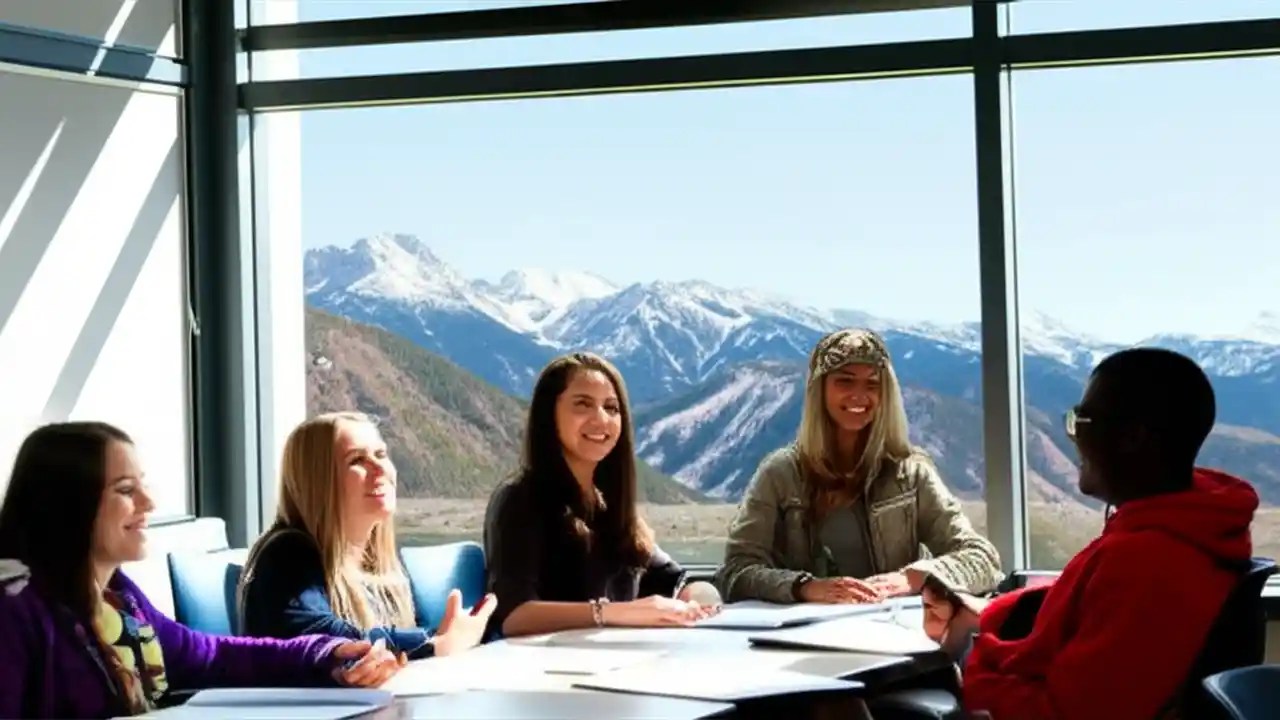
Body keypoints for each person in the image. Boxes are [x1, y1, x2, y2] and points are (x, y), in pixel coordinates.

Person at [922, 348, 1258, 720]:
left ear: (1131, 438)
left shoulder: (1146, 564)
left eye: (1082, 420)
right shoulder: (1187, 526)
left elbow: (1065, 714)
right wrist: (987, 614)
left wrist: (973, 661)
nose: (1073, 437)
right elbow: (1083, 606)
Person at [0, 422, 404, 719]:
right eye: (125, 490)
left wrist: (324, 653)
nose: (149, 502)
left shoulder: (116, 598)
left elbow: (210, 656)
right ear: (69, 504)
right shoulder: (14, 611)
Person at [718, 328, 1002, 604]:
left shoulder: (911, 475)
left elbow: (983, 560)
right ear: (820, 390)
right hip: (801, 641)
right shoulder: (779, 474)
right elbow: (735, 573)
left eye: (872, 384)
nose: (859, 395)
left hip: (896, 634)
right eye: (845, 381)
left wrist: (913, 578)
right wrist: (805, 588)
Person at [485, 352, 716, 638]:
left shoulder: (608, 505)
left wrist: (700, 602)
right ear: (549, 414)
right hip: (548, 672)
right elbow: (515, 616)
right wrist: (612, 613)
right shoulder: (518, 500)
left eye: (611, 407)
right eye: (583, 404)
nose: (601, 419)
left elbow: (676, 582)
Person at [240, 412, 493, 660]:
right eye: (357, 460)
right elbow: (329, 642)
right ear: (317, 481)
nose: (380, 468)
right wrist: (434, 642)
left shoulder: (382, 560)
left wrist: (449, 636)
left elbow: (412, 633)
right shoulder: (287, 553)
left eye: (381, 454)